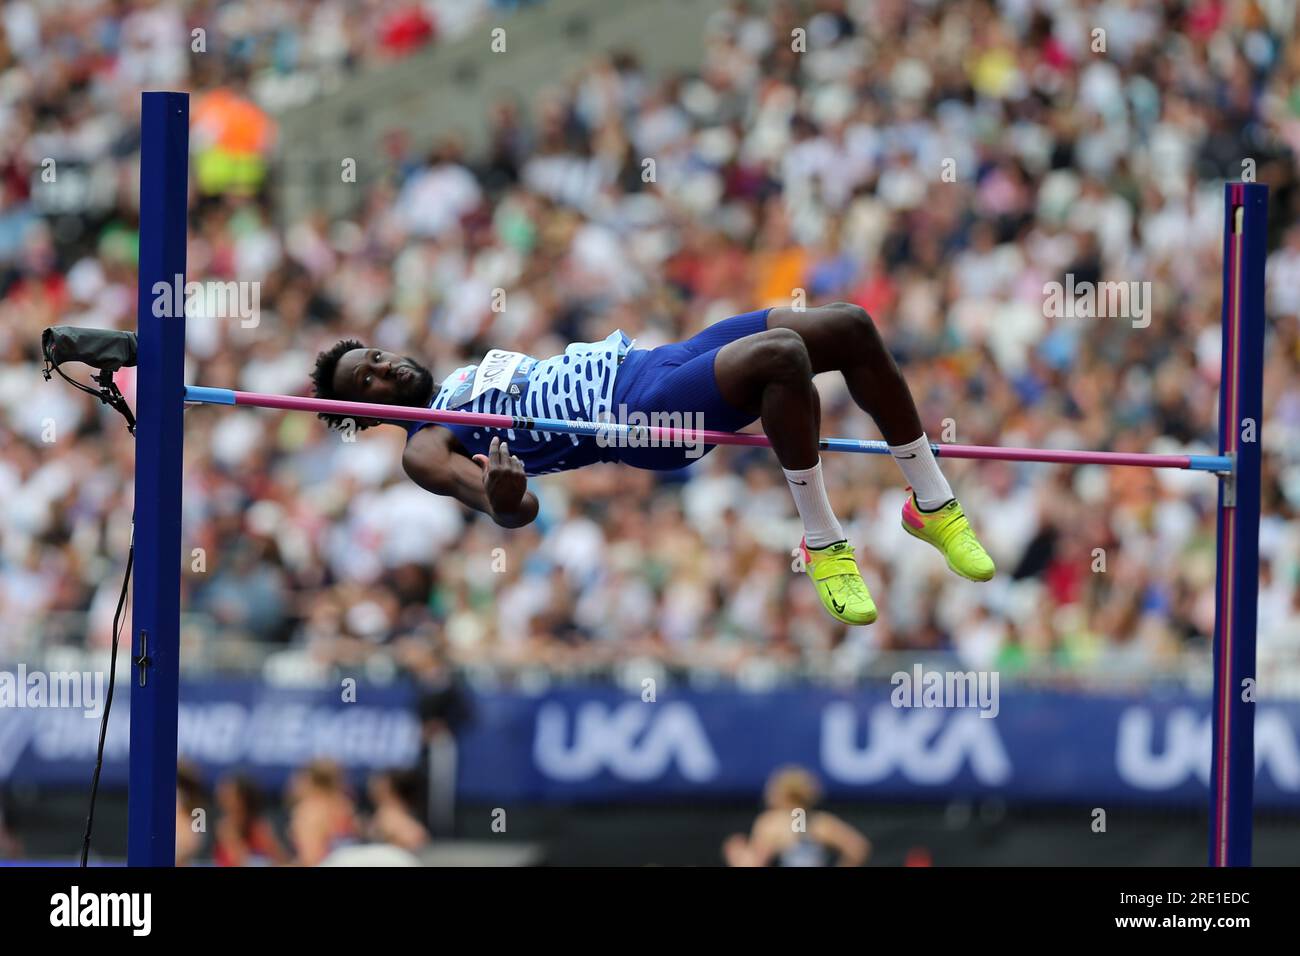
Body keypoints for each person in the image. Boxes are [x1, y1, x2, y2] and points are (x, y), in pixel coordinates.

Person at [310, 303, 995, 626]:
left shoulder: (460, 374)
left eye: (371, 356)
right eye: (364, 383)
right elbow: (507, 508)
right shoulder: (425, 445)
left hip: (650, 361)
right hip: (640, 420)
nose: (381, 368)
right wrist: (505, 493)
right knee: (783, 356)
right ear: (366, 414)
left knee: (850, 326)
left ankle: (931, 504)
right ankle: (824, 544)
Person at [722, 766, 870, 867]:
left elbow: (754, 864)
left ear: (784, 794)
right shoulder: (822, 822)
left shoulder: (772, 823)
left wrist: (735, 852)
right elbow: (858, 847)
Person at [213, 773, 289, 867]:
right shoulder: (224, 827)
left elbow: (281, 858)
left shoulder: (258, 827)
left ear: (244, 800)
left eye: (229, 796)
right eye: (223, 796)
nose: (225, 801)